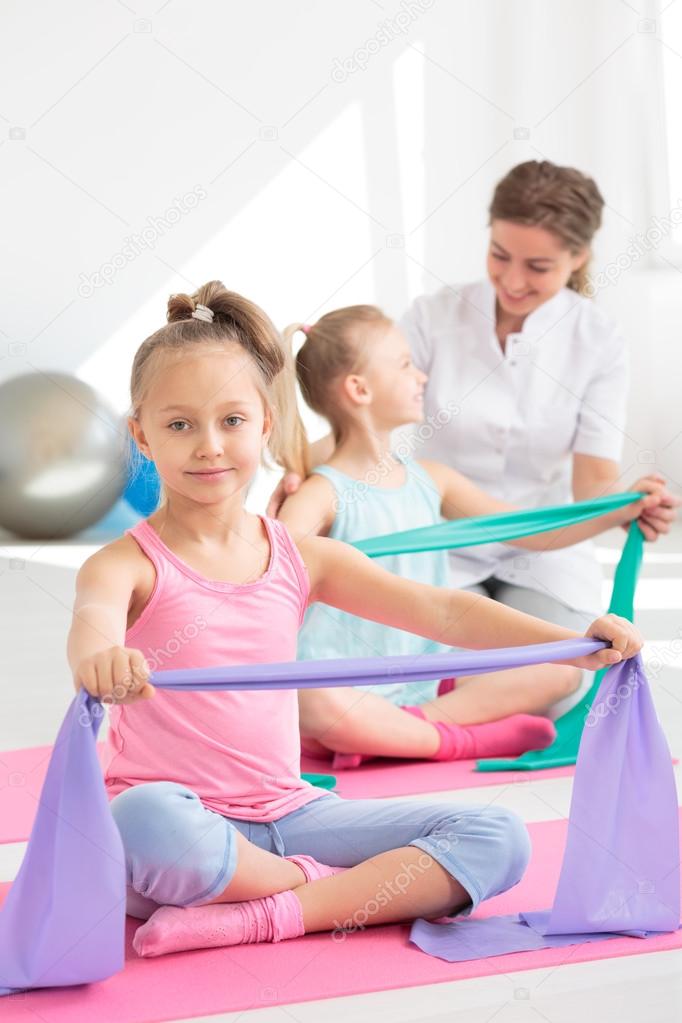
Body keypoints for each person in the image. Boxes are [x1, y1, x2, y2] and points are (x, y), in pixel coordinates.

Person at [67, 280, 642, 959]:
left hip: (295, 810)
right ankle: (333, 891)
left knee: (498, 836)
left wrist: (569, 643)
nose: (209, 446)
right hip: (181, 824)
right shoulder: (122, 564)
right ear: (142, 435)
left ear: (265, 426)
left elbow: (444, 609)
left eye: (231, 420)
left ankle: (257, 913)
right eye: (179, 424)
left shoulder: (303, 556)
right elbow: (92, 628)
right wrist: (102, 659)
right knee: (139, 821)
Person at [268, 159, 677, 717]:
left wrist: (631, 505)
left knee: (562, 673)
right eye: (499, 256)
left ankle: (405, 725)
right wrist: (301, 472)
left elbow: (593, 485)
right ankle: (411, 721)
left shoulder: (598, 340)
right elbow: (357, 413)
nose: (511, 280)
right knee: (433, 651)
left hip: (543, 542)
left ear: (577, 258)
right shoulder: (435, 317)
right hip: (437, 542)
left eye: (537, 266)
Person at [276, 305, 667, 768]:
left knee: (560, 675)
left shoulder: (431, 480)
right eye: (404, 364)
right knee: (313, 703)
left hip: (425, 675)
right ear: (358, 389)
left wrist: (621, 510)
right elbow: (268, 578)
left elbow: (532, 532)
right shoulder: (323, 494)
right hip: (343, 681)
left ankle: (400, 730)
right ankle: (454, 740)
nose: (420, 376)